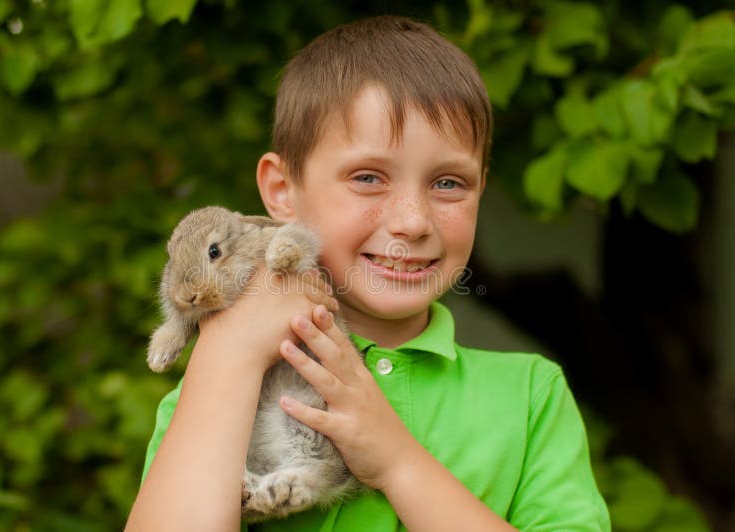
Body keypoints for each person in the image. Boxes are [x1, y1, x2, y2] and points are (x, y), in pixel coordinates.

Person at [126, 15, 610, 531]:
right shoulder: (219, 385)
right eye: (367, 177)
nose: (412, 221)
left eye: (448, 183)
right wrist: (230, 353)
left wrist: (398, 462)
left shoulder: (530, 395)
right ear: (282, 190)